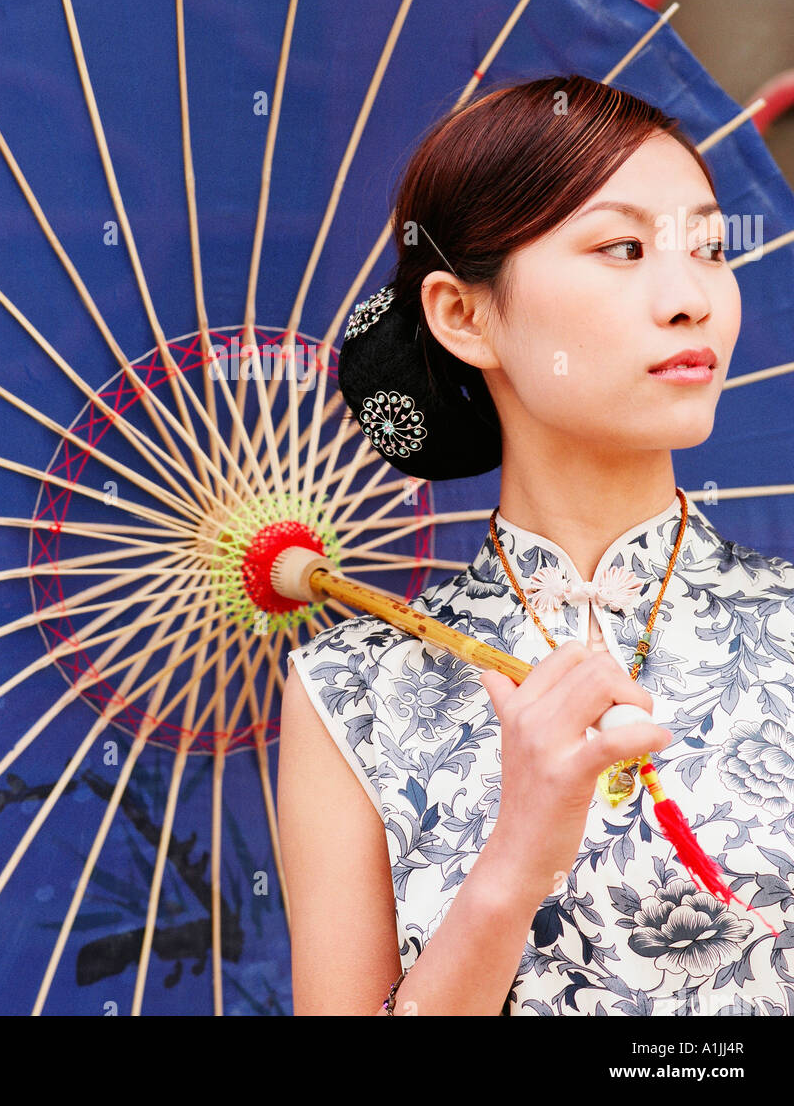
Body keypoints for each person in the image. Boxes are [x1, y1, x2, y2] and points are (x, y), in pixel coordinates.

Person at [276, 74, 794, 1016]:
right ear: (464, 315)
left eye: (712, 249)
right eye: (624, 247)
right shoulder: (354, 685)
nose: (692, 300)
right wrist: (514, 862)